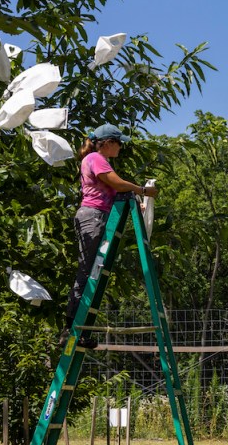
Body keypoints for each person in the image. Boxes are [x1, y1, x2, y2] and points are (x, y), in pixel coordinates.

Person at [61, 123, 159, 348]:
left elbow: (114, 190)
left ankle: (80, 330)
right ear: (108, 143)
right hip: (92, 217)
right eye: (119, 143)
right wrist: (141, 190)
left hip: (98, 216)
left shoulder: (99, 160)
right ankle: (70, 329)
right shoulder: (96, 158)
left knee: (92, 272)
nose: (121, 148)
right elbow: (116, 183)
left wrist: (136, 202)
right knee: (86, 272)